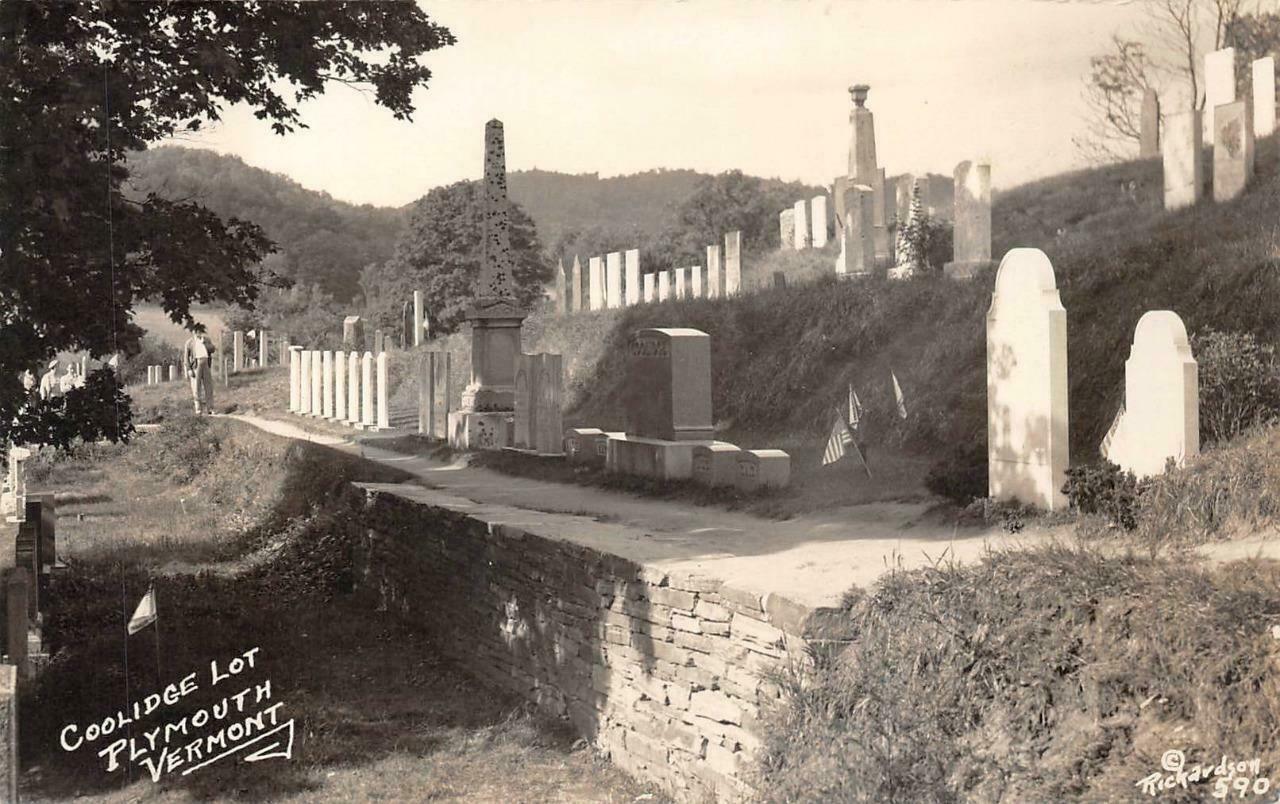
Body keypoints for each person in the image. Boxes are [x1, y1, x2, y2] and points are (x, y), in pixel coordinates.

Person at [182, 332, 215, 414]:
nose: (198, 333)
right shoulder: (189, 342)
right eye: (196, 331)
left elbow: (212, 349)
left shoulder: (206, 340)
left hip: (206, 363)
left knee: (208, 387)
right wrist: (189, 369)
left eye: (199, 331)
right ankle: (198, 409)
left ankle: (210, 408)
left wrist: (205, 343)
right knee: (196, 387)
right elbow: (186, 358)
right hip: (196, 365)